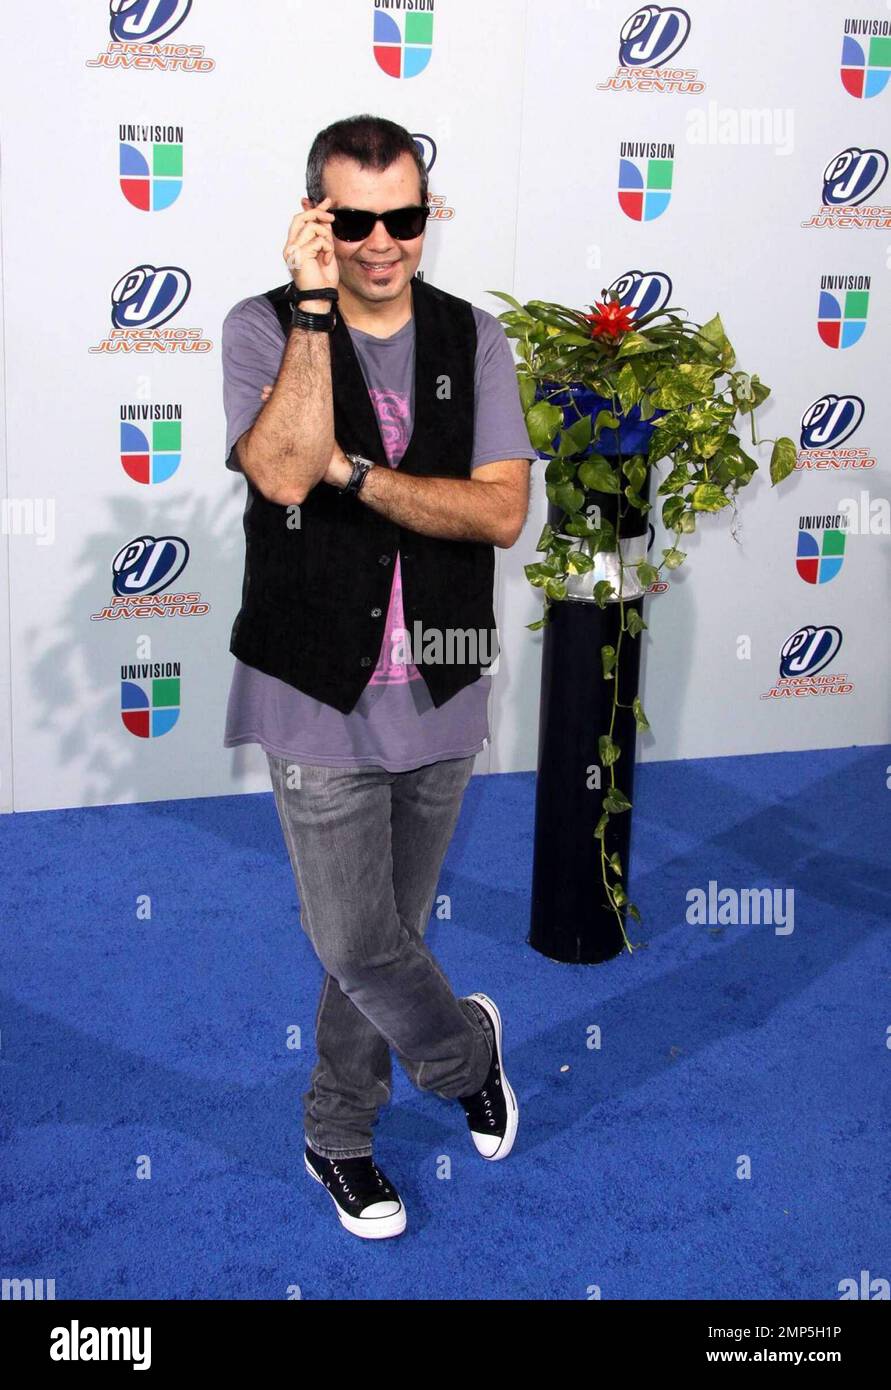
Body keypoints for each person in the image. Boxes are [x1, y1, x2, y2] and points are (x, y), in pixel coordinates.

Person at [221, 114, 535, 1240]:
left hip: (443, 682)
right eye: (354, 221)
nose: (382, 242)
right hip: (312, 685)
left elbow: (498, 509)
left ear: (426, 215)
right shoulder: (259, 328)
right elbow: (276, 469)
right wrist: (312, 311)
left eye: (404, 217)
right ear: (319, 218)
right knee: (356, 941)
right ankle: (466, 1056)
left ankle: (337, 1130)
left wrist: (356, 469)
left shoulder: (475, 337)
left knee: (389, 926)